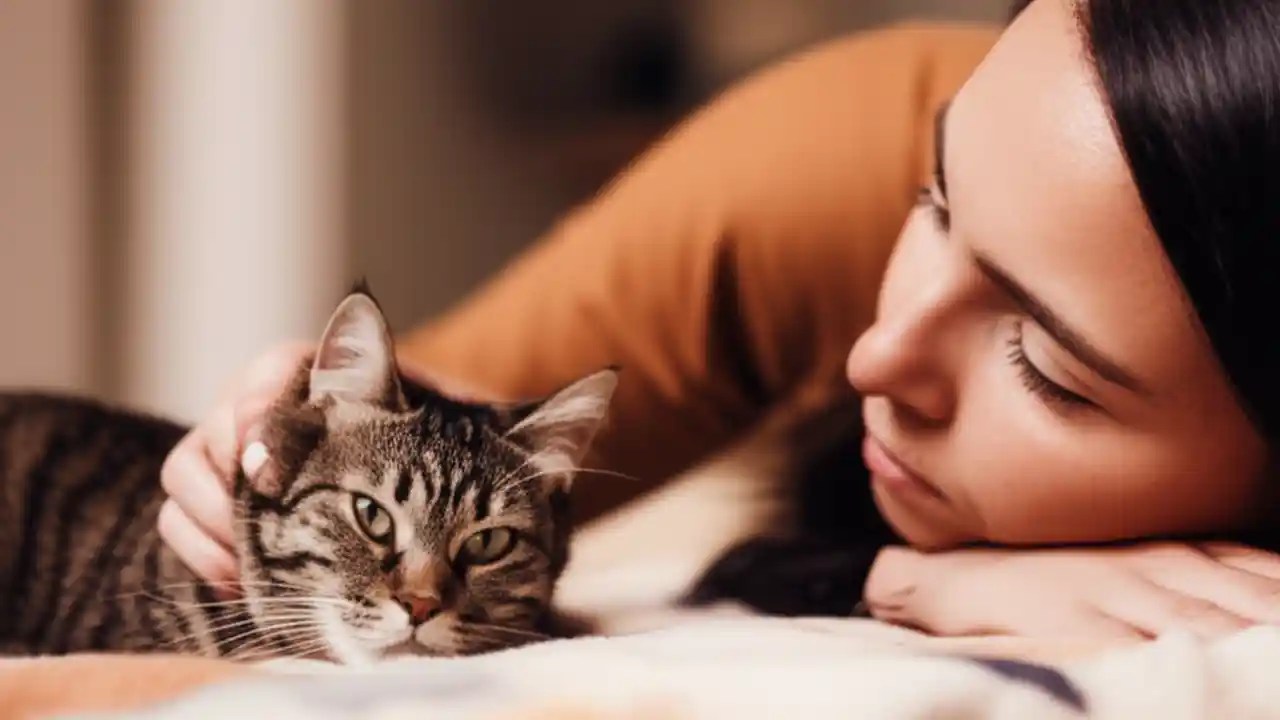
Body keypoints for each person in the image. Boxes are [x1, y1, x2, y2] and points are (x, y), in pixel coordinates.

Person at [158, 0, 1280, 643]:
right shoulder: (841, 151)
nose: (874, 357)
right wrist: (259, 436)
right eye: (930, 202)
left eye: (1043, 366)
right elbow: (442, 418)